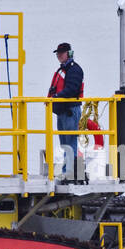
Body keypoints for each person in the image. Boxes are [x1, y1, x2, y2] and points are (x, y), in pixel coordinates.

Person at [48, 42, 84, 177]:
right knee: (64, 143)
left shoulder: (74, 69)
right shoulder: (63, 70)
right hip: (62, 111)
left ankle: (70, 172)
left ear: (68, 54)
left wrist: (57, 96)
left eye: (61, 53)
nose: (58, 56)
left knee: (70, 142)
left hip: (70, 110)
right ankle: (66, 171)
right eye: (57, 53)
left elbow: (72, 89)